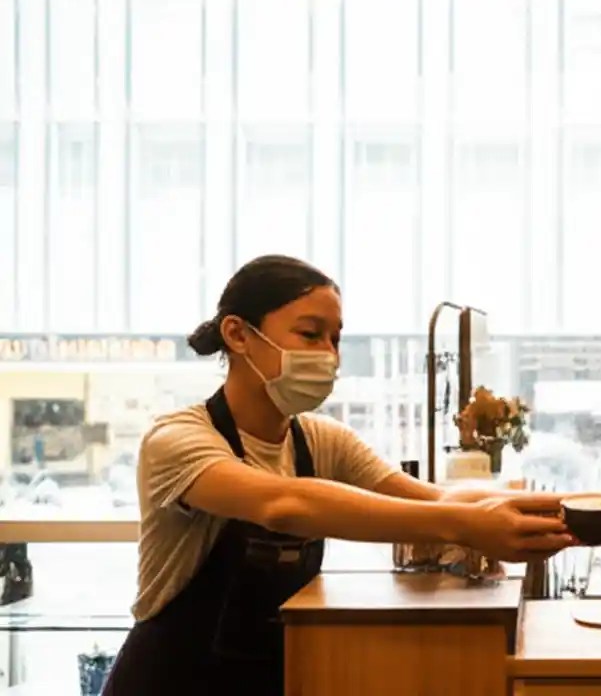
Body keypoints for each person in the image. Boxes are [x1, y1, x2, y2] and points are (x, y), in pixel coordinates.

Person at [104, 255, 576, 696]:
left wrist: (597, 511)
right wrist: (467, 528)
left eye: (336, 338)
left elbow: (434, 500)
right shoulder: (177, 440)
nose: (330, 355)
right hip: (169, 682)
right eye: (311, 335)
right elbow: (285, 505)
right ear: (238, 334)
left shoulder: (320, 440)